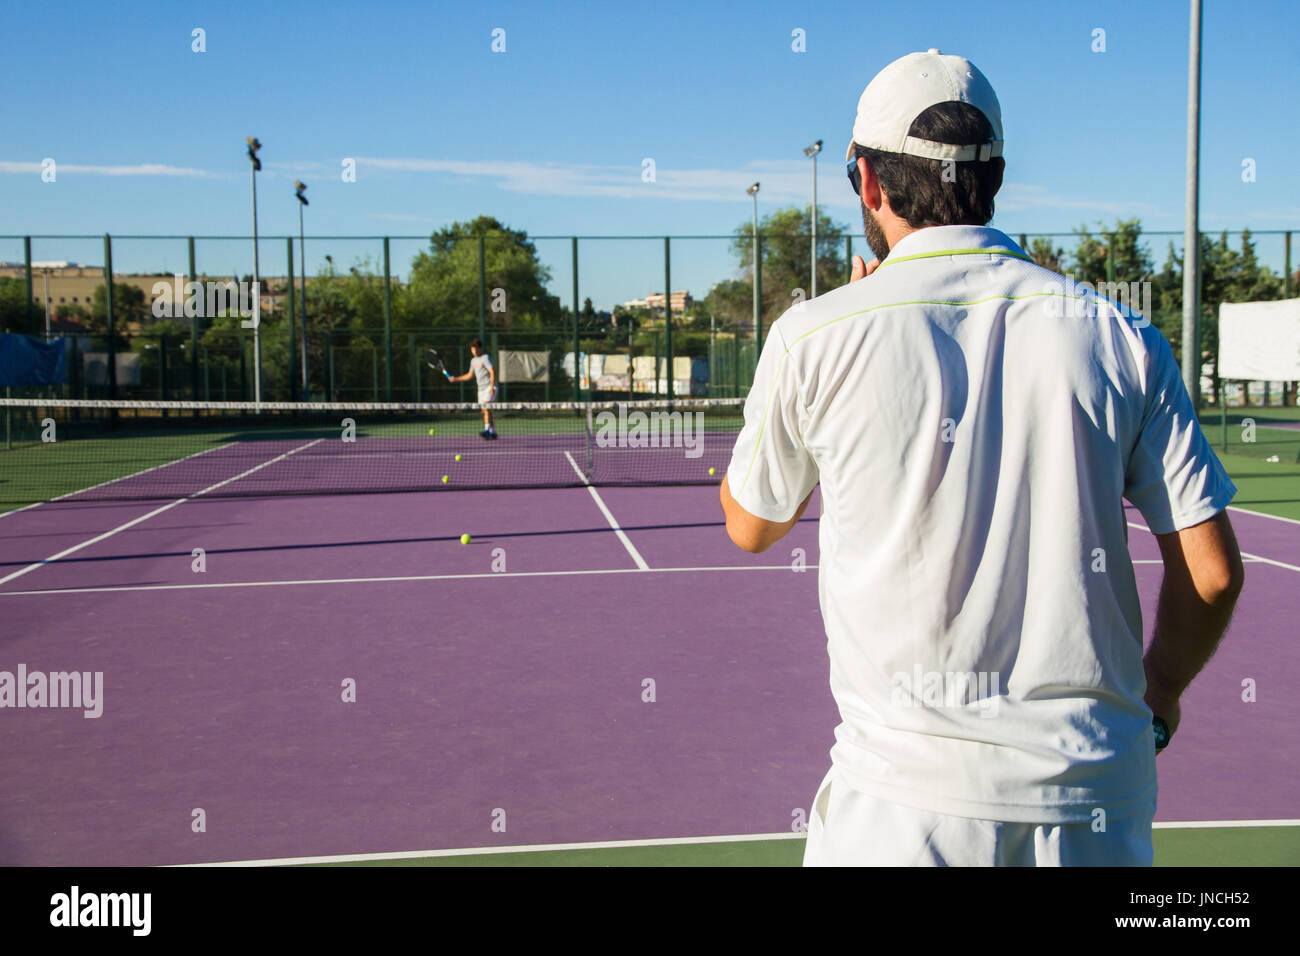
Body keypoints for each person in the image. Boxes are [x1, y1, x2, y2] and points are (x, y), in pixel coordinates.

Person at [719, 49, 1244, 866]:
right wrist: (1161, 695)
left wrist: (844, 326)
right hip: (1095, 803)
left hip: (897, 815)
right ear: (995, 174)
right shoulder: (1122, 337)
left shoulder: (813, 337)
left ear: (867, 184)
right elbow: (1211, 575)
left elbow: (751, 525)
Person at [445, 339, 497, 439]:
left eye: (476, 349)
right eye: (473, 350)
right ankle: (493, 432)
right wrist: (455, 379)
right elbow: (469, 375)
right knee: (485, 411)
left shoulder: (485, 358)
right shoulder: (473, 361)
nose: (474, 351)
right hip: (480, 390)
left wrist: (492, 387)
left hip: (489, 387)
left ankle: (487, 430)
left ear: (480, 349)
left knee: (486, 409)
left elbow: (492, 372)